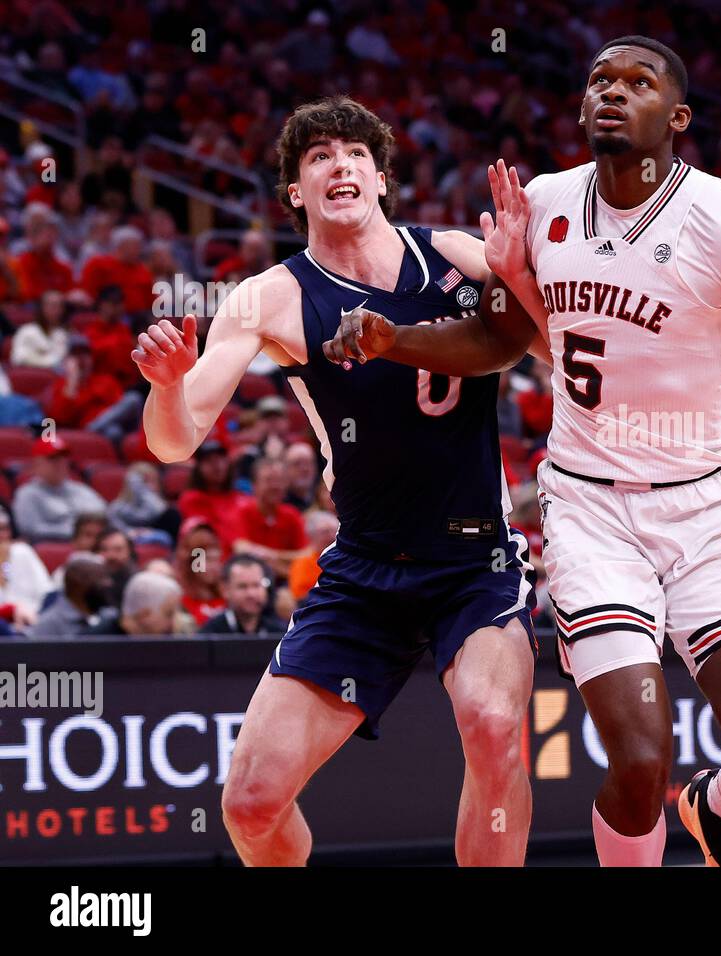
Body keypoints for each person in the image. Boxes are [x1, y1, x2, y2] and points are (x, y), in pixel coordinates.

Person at [327, 37, 721, 867]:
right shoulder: (546, 203)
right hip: (592, 508)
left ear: (679, 116)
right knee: (638, 760)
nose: (613, 94)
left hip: (706, 505)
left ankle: (717, 808)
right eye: (600, 81)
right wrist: (395, 339)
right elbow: (497, 337)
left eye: (639, 83)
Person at [133, 96, 537, 867]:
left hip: (474, 561)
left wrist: (519, 274)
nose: (339, 164)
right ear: (295, 191)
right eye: (318, 156)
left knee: (492, 727)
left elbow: (560, 345)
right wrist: (166, 386)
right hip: (363, 571)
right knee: (250, 805)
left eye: (355, 153)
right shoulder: (270, 297)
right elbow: (175, 443)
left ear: (381, 178)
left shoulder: (456, 255)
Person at [11, 435, 107, 542]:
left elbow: (102, 516)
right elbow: (31, 530)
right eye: (53, 459)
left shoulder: (81, 490)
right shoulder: (27, 494)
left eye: (63, 458)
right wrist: (75, 531)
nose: (60, 463)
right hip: (51, 549)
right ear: (37, 463)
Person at [233, 457, 310, 578]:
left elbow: (305, 555)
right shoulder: (242, 512)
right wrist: (284, 565)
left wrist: (271, 556)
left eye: (279, 480)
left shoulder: (292, 514)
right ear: (254, 485)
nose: (275, 486)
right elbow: (242, 549)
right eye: (269, 480)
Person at [28, 552, 113, 637]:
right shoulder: (49, 625)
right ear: (77, 584)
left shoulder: (110, 617)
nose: (108, 583)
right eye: (100, 577)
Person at [199, 555, 288, 635]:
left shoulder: (278, 634)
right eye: (242, 587)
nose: (251, 594)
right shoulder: (209, 635)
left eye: (256, 585)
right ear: (225, 590)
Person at [0, 503, 52, 629]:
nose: (1, 535)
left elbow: (46, 591)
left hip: (33, 620)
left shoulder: (22, 551)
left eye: (4, 529)